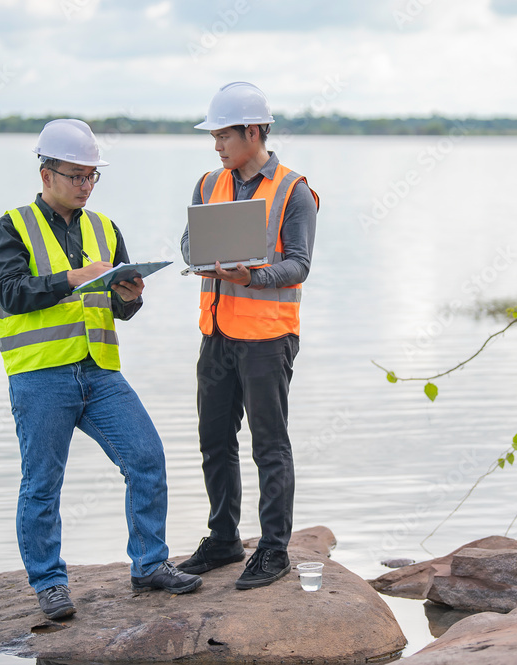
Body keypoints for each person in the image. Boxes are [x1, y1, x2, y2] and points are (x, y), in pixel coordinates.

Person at [0, 118, 201, 620]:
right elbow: (8, 292)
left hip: (100, 371)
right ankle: (49, 583)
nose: (85, 185)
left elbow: (119, 307)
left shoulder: (106, 228)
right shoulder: (11, 227)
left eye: (91, 176)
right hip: (41, 375)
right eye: (76, 175)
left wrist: (130, 296)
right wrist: (68, 278)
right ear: (46, 174)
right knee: (42, 483)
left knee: (147, 458)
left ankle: (149, 566)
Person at [177, 83, 319, 589]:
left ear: (252, 132)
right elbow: (190, 238)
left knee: (269, 446)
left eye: (223, 136)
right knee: (214, 440)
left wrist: (252, 276)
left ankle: (275, 550)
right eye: (213, 137)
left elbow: (299, 264)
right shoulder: (208, 183)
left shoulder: (293, 190)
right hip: (216, 334)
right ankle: (223, 540)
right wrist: (199, 255)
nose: (216, 146)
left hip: (267, 338)